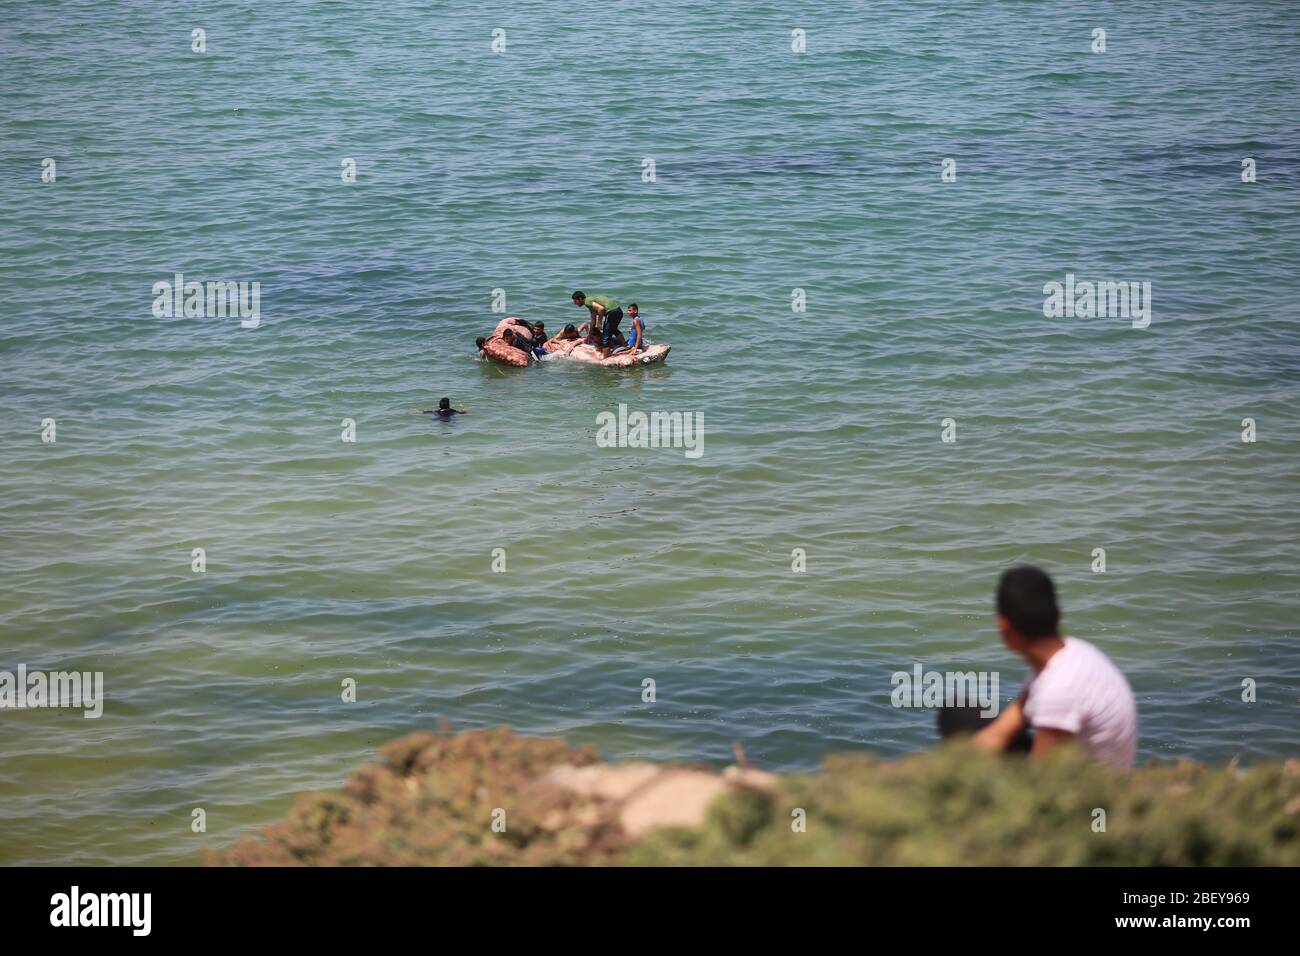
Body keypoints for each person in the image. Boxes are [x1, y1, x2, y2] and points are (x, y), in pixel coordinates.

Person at [973, 566, 1137, 769]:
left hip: (1088, 794)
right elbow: (1000, 732)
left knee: (962, 726)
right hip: (1079, 765)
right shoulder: (1072, 654)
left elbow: (1042, 785)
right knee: (962, 713)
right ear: (1058, 615)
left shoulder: (1059, 689)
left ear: (1004, 628)